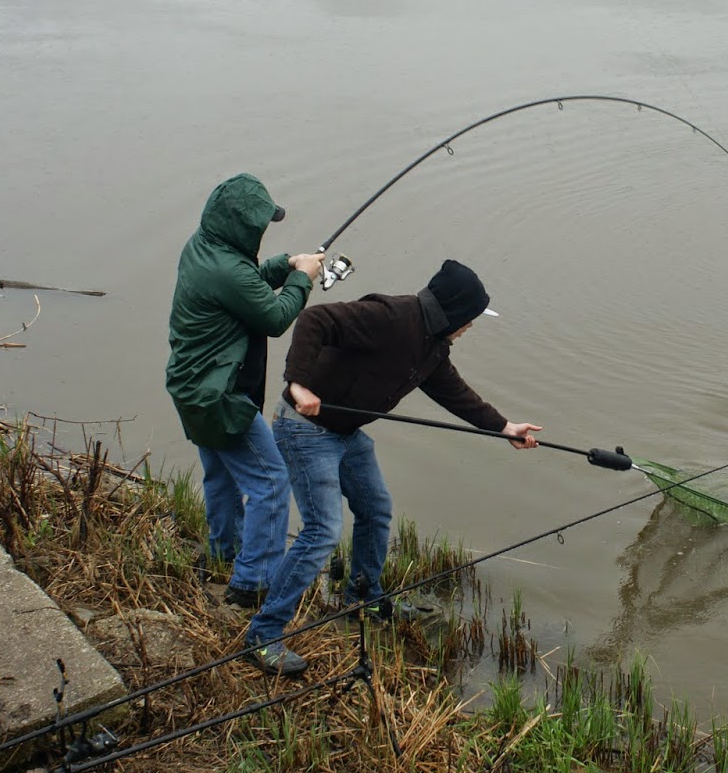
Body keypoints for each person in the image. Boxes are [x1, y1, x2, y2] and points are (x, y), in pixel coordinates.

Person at [244, 259, 542, 675]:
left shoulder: (433, 346)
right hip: (305, 430)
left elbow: (454, 393)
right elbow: (314, 319)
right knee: (322, 531)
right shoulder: (391, 316)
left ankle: (362, 598)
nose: (470, 327)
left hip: (345, 434)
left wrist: (504, 427)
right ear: (452, 312)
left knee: (376, 508)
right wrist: (298, 383)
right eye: (470, 319)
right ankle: (264, 634)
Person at [165, 174, 323, 609]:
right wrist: (303, 280)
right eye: (259, 225)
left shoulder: (203, 246)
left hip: (191, 388)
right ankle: (253, 583)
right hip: (219, 398)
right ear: (241, 225)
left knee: (220, 474)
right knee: (272, 481)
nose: (263, 231)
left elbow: (247, 281)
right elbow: (273, 317)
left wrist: (287, 264)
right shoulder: (226, 269)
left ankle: (223, 554)